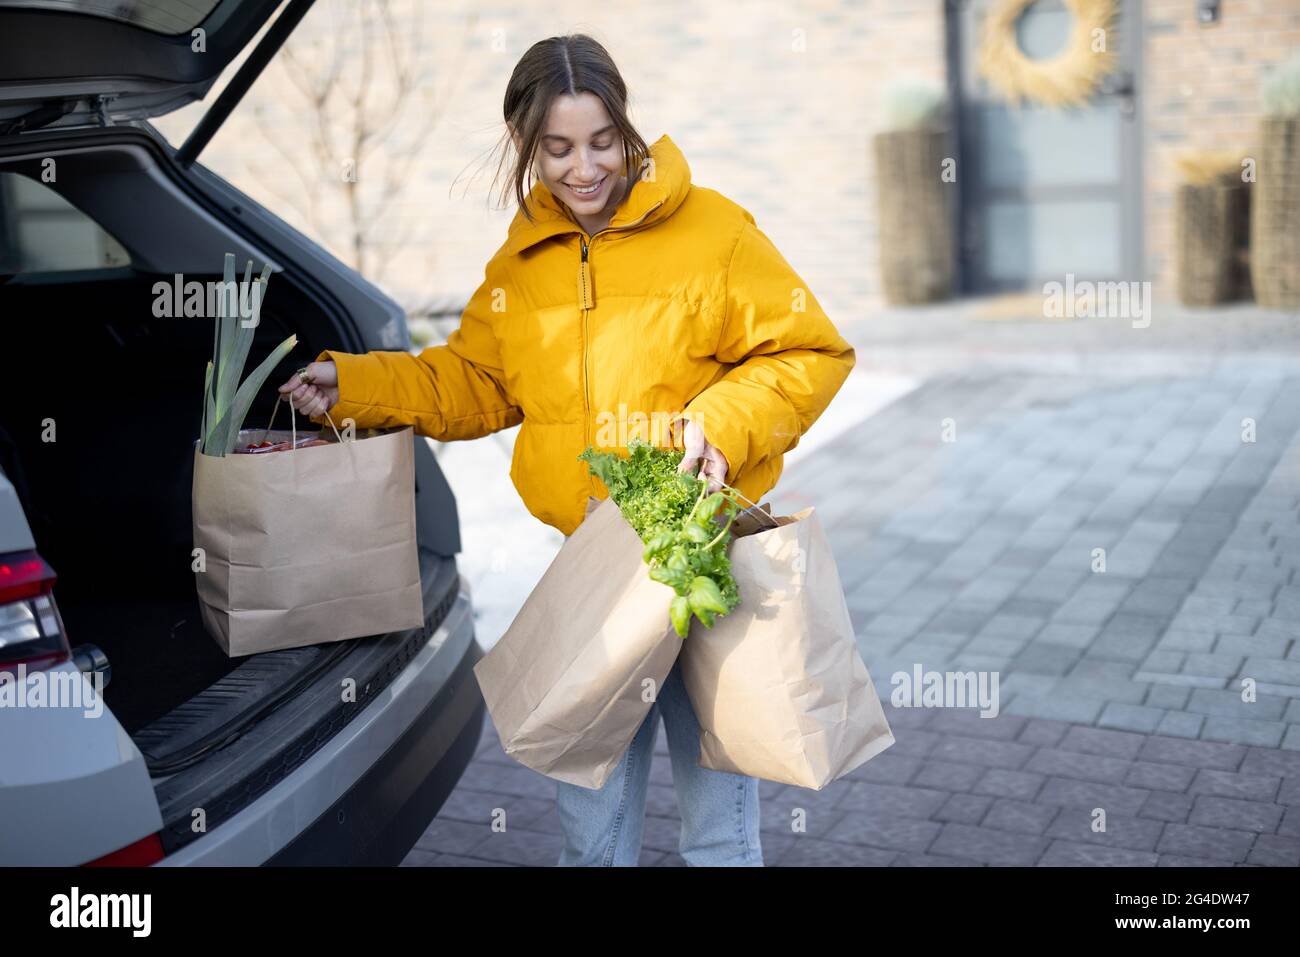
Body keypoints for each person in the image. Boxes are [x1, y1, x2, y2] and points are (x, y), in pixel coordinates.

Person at [278, 33, 856, 866]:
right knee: (591, 837)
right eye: (556, 149)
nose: (582, 169)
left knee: (721, 834)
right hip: (589, 572)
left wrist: (723, 424)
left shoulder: (716, 231)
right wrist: (356, 384)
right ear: (527, 146)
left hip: (702, 566)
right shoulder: (525, 259)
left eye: (599, 141)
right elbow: (475, 380)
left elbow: (810, 351)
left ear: (627, 129)